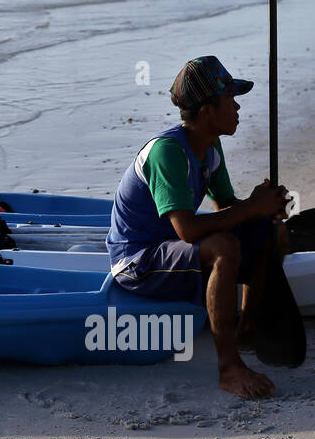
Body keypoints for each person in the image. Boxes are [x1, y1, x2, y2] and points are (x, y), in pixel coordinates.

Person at [107, 56, 291, 399]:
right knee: (223, 246)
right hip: (137, 262)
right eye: (230, 100)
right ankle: (228, 369)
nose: (237, 107)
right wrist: (251, 208)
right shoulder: (168, 153)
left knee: (267, 228)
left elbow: (225, 205)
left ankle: (247, 330)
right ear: (207, 111)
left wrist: (263, 207)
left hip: (171, 250)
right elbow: (188, 231)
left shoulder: (210, 146)